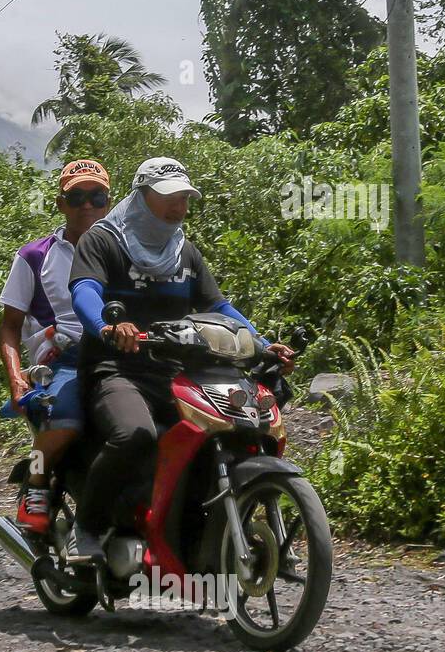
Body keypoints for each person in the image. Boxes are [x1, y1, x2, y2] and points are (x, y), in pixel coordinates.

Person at [68, 157, 295, 558]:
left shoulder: (184, 252)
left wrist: (261, 341)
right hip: (115, 368)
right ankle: (87, 528)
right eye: (170, 197)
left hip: (174, 372)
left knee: (214, 437)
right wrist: (107, 325)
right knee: (136, 434)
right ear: (142, 197)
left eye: (185, 198)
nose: (180, 207)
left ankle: (187, 537)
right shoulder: (103, 240)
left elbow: (219, 308)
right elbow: (85, 290)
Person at [0, 159, 113, 536]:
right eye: (77, 196)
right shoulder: (34, 256)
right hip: (63, 358)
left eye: (97, 197)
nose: (87, 206)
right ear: (61, 203)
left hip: (119, 352)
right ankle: (35, 483)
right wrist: (16, 381)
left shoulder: (127, 252)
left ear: (108, 203)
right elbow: (9, 327)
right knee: (66, 419)